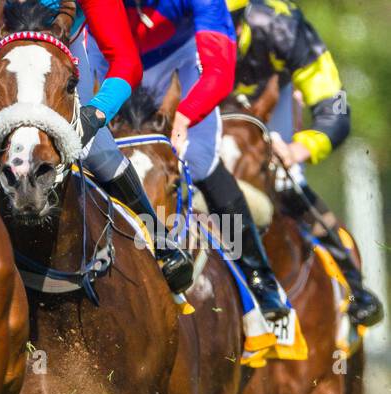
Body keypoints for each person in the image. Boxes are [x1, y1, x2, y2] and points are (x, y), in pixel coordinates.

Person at [0, 0, 196, 294]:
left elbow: (126, 62)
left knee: (99, 151)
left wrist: (96, 114)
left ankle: (161, 244)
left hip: (59, 57)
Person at [102, 0, 288, 319]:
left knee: (199, 159)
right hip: (112, 60)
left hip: (180, 61)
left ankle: (260, 279)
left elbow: (220, 71)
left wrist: (186, 116)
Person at [228, 0, 382, 325]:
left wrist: (298, 149)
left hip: (268, 96)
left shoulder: (282, 26)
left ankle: (353, 283)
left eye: (226, 21)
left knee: (285, 181)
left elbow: (334, 109)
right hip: (203, 100)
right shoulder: (176, 19)